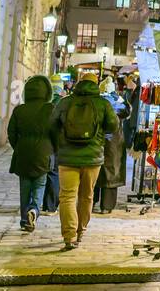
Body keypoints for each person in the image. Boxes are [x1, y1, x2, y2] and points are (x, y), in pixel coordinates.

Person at [51, 78, 119, 250]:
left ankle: (69, 236)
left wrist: (60, 143)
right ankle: (81, 230)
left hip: (67, 158)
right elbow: (113, 126)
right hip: (92, 157)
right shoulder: (102, 103)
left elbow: (51, 125)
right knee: (87, 195)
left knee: (67, 196)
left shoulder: (65, 102)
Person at [7, 75, 57, 231]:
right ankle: (34, 210)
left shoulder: (19, 110)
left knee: (25, 188)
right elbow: (56, 133)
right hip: (43, 154)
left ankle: (24, 219)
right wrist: (53, 149)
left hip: (23, 153)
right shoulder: (50, 109)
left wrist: (18, 146)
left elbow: (11, 133)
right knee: (39, 185)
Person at [94, 78, 131, 213]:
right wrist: (121, 99)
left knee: (94, 171)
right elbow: (127, 112)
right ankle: (107, 206)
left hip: (97, 139)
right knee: (111, 173)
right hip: (114, 142)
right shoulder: (118, 102)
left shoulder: (96, 100)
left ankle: (91, 202)